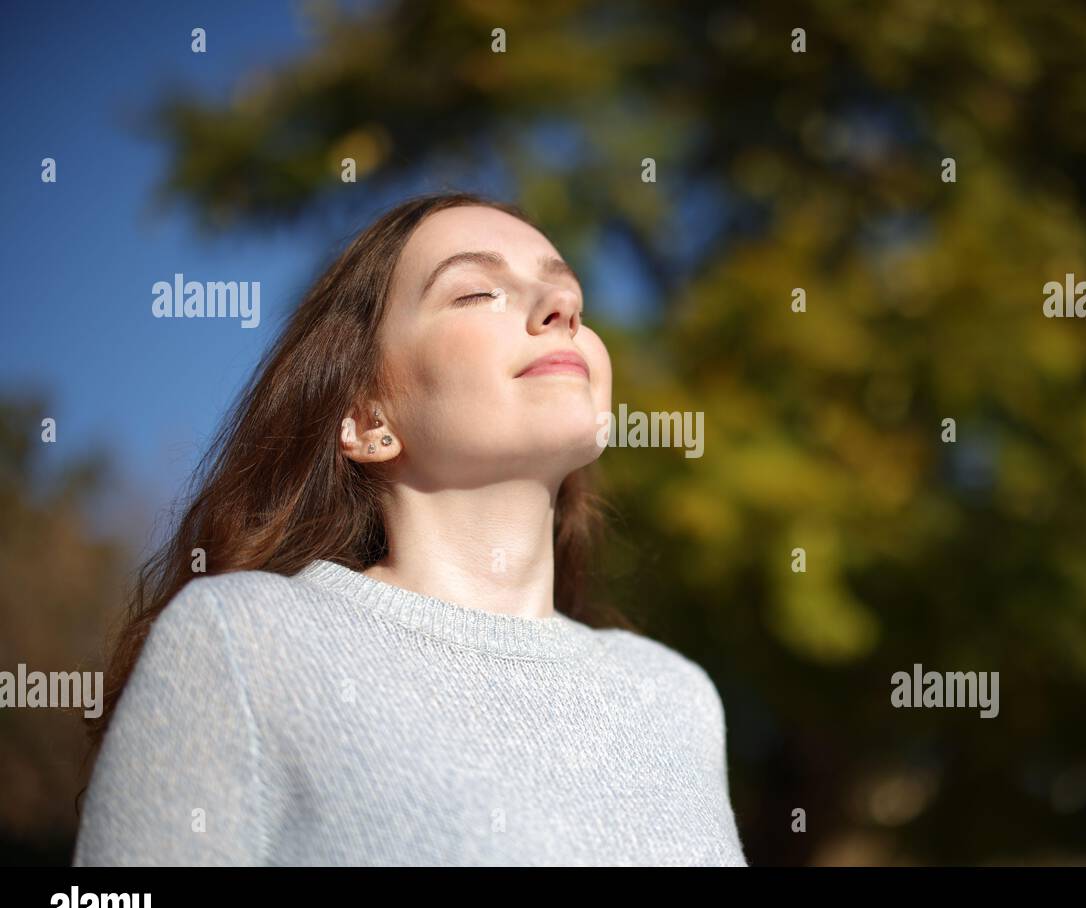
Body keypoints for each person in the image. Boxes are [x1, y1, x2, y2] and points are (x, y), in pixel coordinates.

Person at [72, 192, 748, 866]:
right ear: (367, 419)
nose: (562, 310)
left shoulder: (675, 696)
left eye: (568, 294)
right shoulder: (246, 640)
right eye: (478, 292)